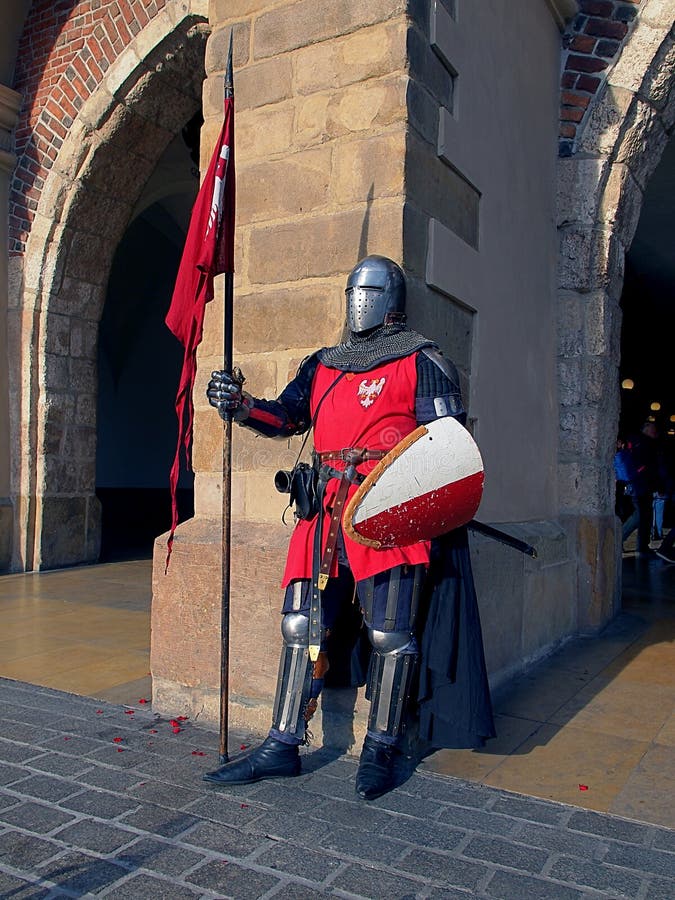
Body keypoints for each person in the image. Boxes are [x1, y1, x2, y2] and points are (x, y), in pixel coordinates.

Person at [203, 255, 494, 800]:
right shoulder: (323, 365)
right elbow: (286, 417)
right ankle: (282, 744)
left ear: (392, 302)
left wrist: (414, 506)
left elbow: (447, 452)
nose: (360, 301)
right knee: (299, 628)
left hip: (387, 516)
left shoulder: (424, 361)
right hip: (324, 509)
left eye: (371, 291)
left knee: (391, 634)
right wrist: (240, 406)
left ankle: (381, 747)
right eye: (355, 291)